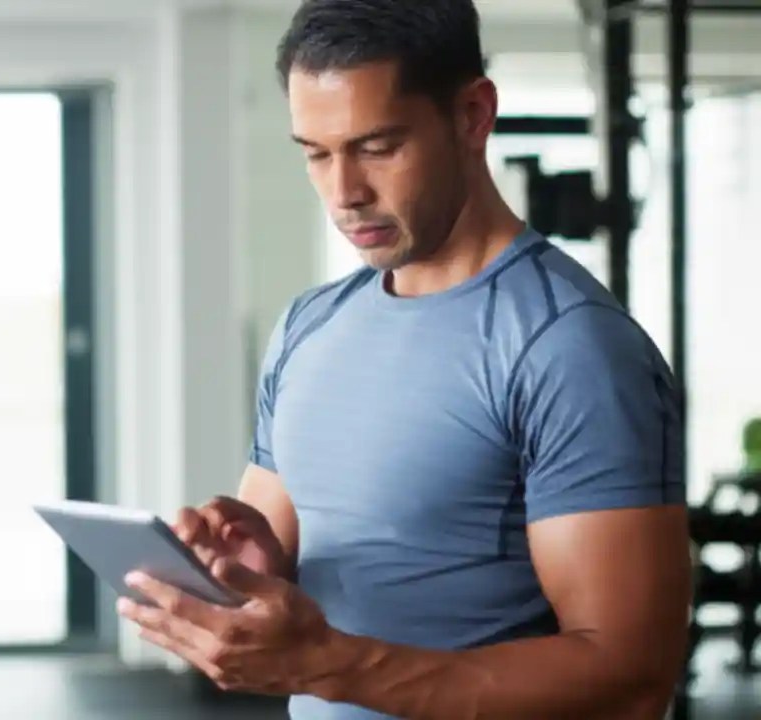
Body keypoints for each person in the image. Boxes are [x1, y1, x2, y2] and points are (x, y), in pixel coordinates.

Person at [116, 1, 691, 718]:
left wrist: (336, 667)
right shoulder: (310, 325)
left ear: (473, 115)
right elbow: (294, 570)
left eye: (378, 146)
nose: (344, 192)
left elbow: (629, 678)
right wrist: (248, 571)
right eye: (316, 153)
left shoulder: (571, 347)